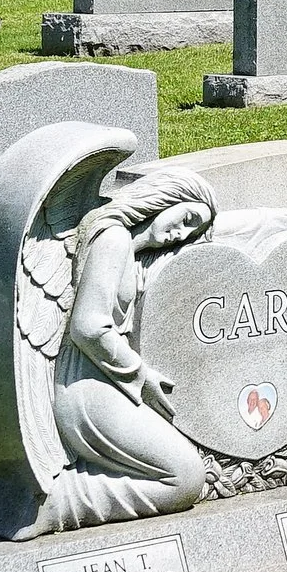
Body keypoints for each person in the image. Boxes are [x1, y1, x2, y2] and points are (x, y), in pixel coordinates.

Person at [43, 171, 218, 532]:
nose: (183, 233)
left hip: (106, 382)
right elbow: (88, 326)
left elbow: (235, 226)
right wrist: (140, 375)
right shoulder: (114, 238)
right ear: (164, 199)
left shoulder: (131, 250)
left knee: (181, 471)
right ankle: (53, 502)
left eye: (193, 231)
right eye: (187, 218)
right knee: (184, 478)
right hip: (89, 387)